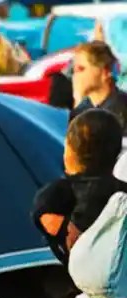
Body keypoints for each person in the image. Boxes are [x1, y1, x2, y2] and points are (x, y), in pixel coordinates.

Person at [34, 109, 127, 264]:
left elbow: (45, 216)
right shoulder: (122, 191)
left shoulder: (55, 196)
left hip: (77, 281)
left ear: (69, 151)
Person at [70, 41, 127, 130]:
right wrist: (77, 99)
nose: (75, 75)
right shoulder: (84, 106)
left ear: (105, 72)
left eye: (81, 69)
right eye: (73, 70)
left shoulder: (120, 110)